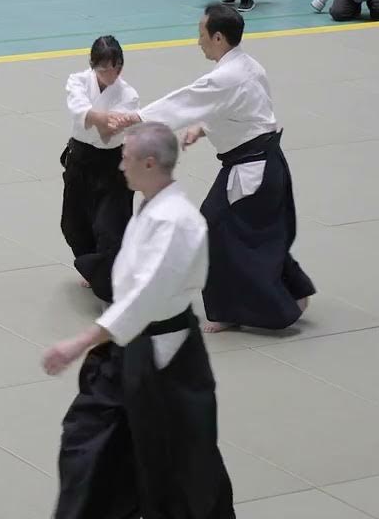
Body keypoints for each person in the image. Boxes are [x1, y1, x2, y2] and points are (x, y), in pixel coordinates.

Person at [43, 122, 235, 519]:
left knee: (182, 465)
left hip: (163, 358)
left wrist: (79, 342)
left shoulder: (176, 222)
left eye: (125, 158)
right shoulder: (150, 206)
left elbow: (144, 298)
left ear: (150, 163)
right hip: (133, 348)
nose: (120, 166)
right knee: (95, 447)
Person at [106, 5, 317, 332]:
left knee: (215, 231)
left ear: (218, 37)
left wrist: (134, 118)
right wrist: (203, 127)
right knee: (258, 233)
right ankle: (290, 292)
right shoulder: (248, 66)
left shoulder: (225, 77)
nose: (198, 41)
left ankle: (269, 306)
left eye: (202, 34)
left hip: (252, 172)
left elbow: (185, 101)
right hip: (264, 166)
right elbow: (247, 111)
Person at [61, 37, 141, 300]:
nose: (111, 74)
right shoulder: (78, 81)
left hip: (113, 166)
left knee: (110, 229)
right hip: (80, 160)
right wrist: (101, 118)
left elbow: (108, 134)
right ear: (93, 65)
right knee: (73, 224)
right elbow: (79, 109)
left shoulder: (128, 94)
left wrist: (98, 120)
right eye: (104, 68)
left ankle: (114, 288)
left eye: (117, 67)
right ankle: (92, 268)